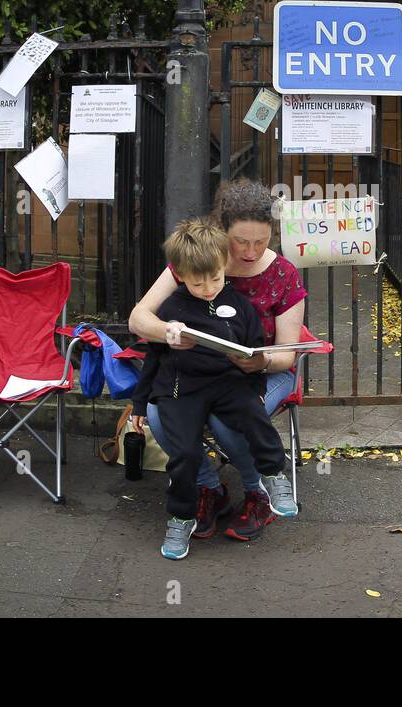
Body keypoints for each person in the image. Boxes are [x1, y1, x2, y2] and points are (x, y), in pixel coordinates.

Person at [128, 179, 307, 541]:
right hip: (195, 373)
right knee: (160, 416)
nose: (252, 251)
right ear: (222, 230)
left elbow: (287, 355)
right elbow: (138, 319)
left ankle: (258, 491)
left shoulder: (283, 275)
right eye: (242, 241)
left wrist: (259, 364)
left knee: (228, 421)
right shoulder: (200, 260)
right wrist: (170, 333)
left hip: (262, 372)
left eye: (262, 240)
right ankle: (208, 487)